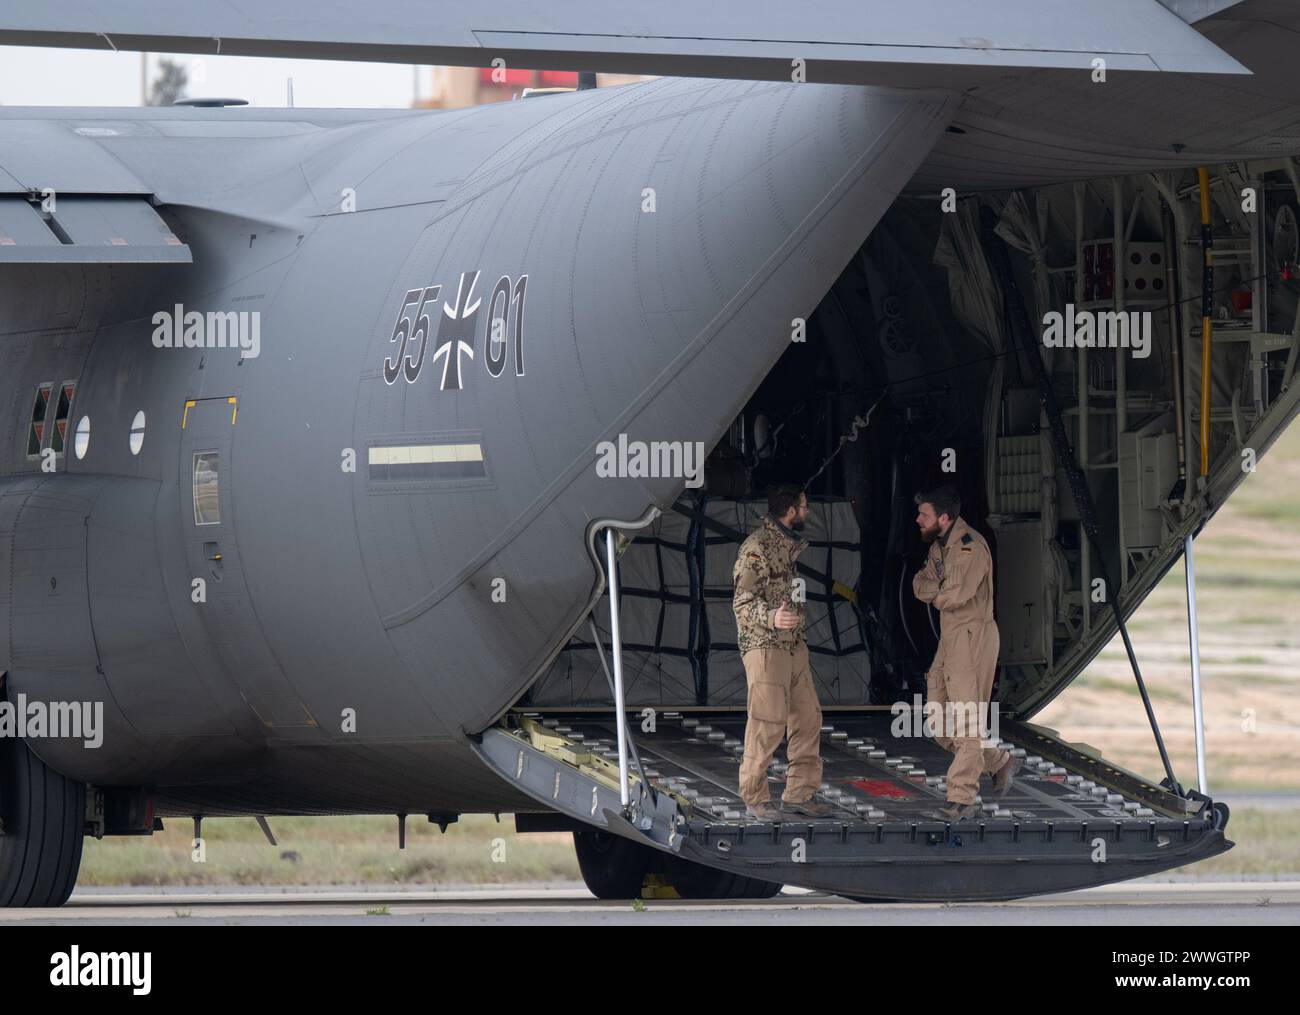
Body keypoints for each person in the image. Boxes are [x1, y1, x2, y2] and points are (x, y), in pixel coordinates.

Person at [911, 484, 1020, 820]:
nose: (918, 520)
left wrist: (935, 590)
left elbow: (953, 596)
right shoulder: (940, 547)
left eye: (924, 515)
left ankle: (961, 800)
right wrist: (937, 589)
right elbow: (918, 584)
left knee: (965, 723)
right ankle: (1000, 761)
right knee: (939, 723)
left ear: (943, 517)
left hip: (972, 638)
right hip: (951, 637)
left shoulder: (970, 548)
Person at [732, 485, 833, 820]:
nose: (807, 512)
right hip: (764, 645)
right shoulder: (757, 548)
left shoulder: (789, 548)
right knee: (767, 722)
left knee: (808, 718)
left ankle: (800, 795)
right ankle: (755, 797)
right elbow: (742, 603)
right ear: (791, 511)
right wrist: (771, 618)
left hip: (792, 646)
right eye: (804, 507)